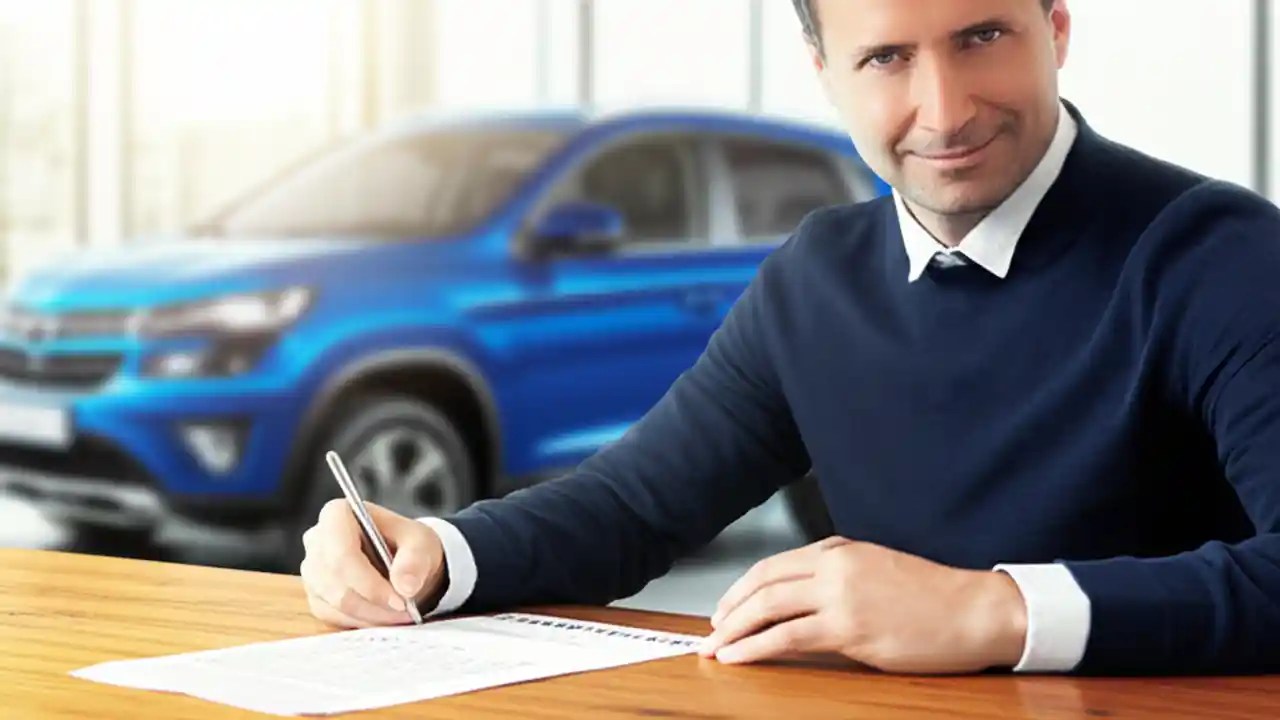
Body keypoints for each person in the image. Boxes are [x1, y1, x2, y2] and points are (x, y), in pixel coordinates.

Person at [300, 0, 1280, 675]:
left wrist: (988, 611)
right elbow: (635, 506)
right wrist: (436, 552)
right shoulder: (817, 278)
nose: (944, 110)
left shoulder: (1219, 255)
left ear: (1055, 29)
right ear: (826, 76)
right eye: (886, 58)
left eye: (981, 36)